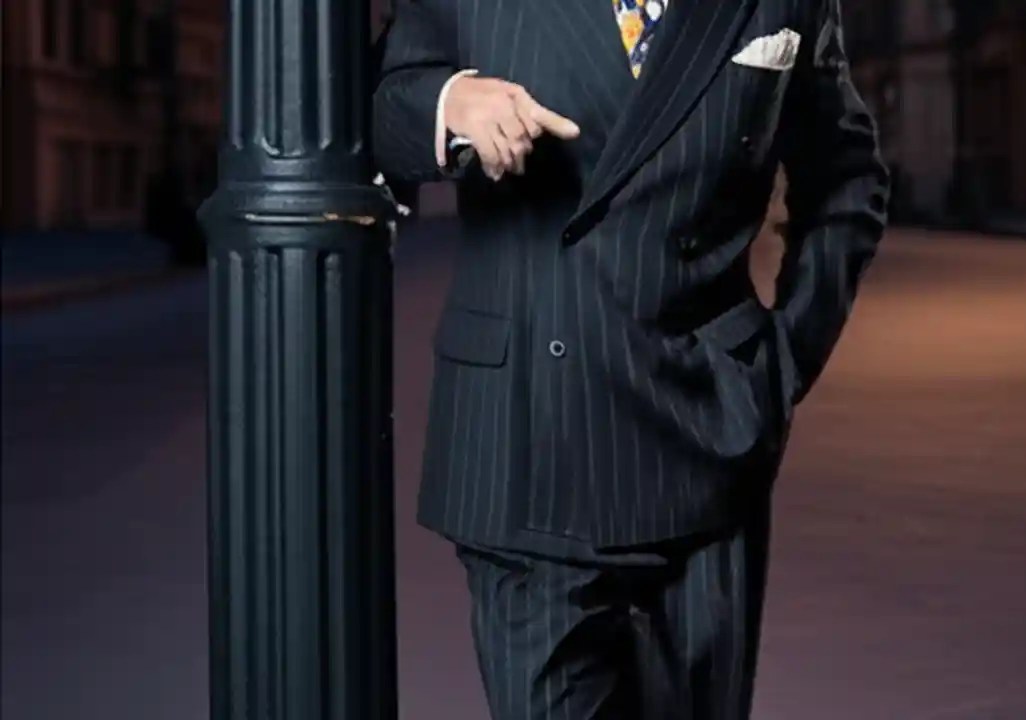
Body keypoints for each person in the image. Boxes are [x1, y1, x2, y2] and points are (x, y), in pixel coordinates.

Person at [373, 1, 889, 717]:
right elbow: (379, 111)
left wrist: (776, 364)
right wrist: (448, 100)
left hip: (704, 438)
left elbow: (846, 178)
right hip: (530, 437)